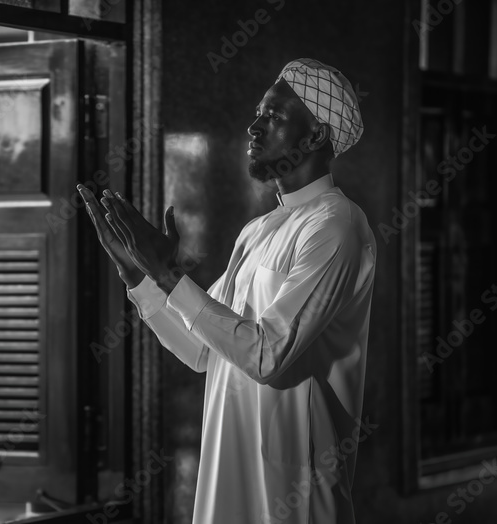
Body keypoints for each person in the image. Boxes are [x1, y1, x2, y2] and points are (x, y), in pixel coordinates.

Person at [79, 58, 376, 524]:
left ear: (316, 135)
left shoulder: (337, 226)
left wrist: (169, 274)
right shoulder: (258, 230)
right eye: (258, 113)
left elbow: (266, 355)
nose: (254, 127)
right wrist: (139, 275)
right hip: (227, 474)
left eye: (274, 116)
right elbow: (204, 350)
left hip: (293, 493)